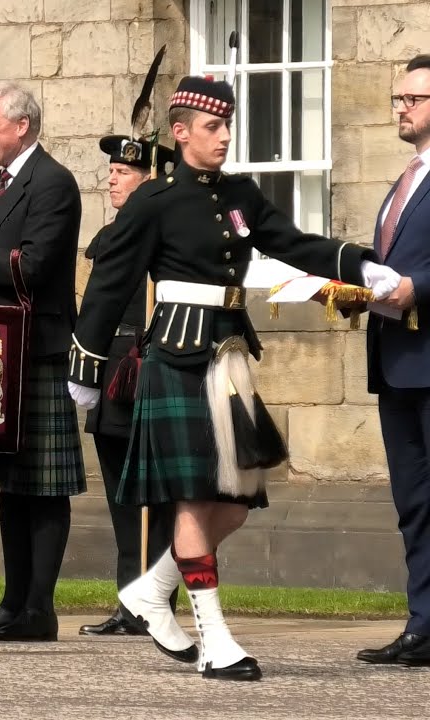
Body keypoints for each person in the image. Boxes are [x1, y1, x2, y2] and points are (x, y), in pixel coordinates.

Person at [68, 75, 400, 681]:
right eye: (213, 128)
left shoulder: (241, 193)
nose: (224, 138)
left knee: (240, 499)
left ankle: (151, 590)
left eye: (227, 127)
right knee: (195, 499)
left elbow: (292, 243)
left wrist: (362, 265)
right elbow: (111, 283)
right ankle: (215, 638)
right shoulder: (155, 199)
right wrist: (86, 364)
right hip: (176, 354)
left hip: (227, 355)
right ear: (181, 131)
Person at [0, 81, 85, 643]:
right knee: (11, 483)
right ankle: (10, 604)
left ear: (20, 125)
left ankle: (38, 610)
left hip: (38, 349)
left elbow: (33, 266)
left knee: (44, 486)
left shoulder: (53, 183)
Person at [78, 135, 178, 637]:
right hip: (114, 371)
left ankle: (156, 601)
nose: (112, 179)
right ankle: (127, 602)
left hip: (152, 366)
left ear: (150, 181)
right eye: (112, 171)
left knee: (158, 498)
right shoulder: (113, 235)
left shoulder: (169, 233)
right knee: (121, 496)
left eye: (124, 172)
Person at [359, 54, 430, 668]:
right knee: (414, 502)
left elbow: (418, 273)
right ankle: (423, 626)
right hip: (396, 358)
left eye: (412, 98)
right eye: (398, 99)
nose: (400, 108)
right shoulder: (406, 177)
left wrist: (420, 287)